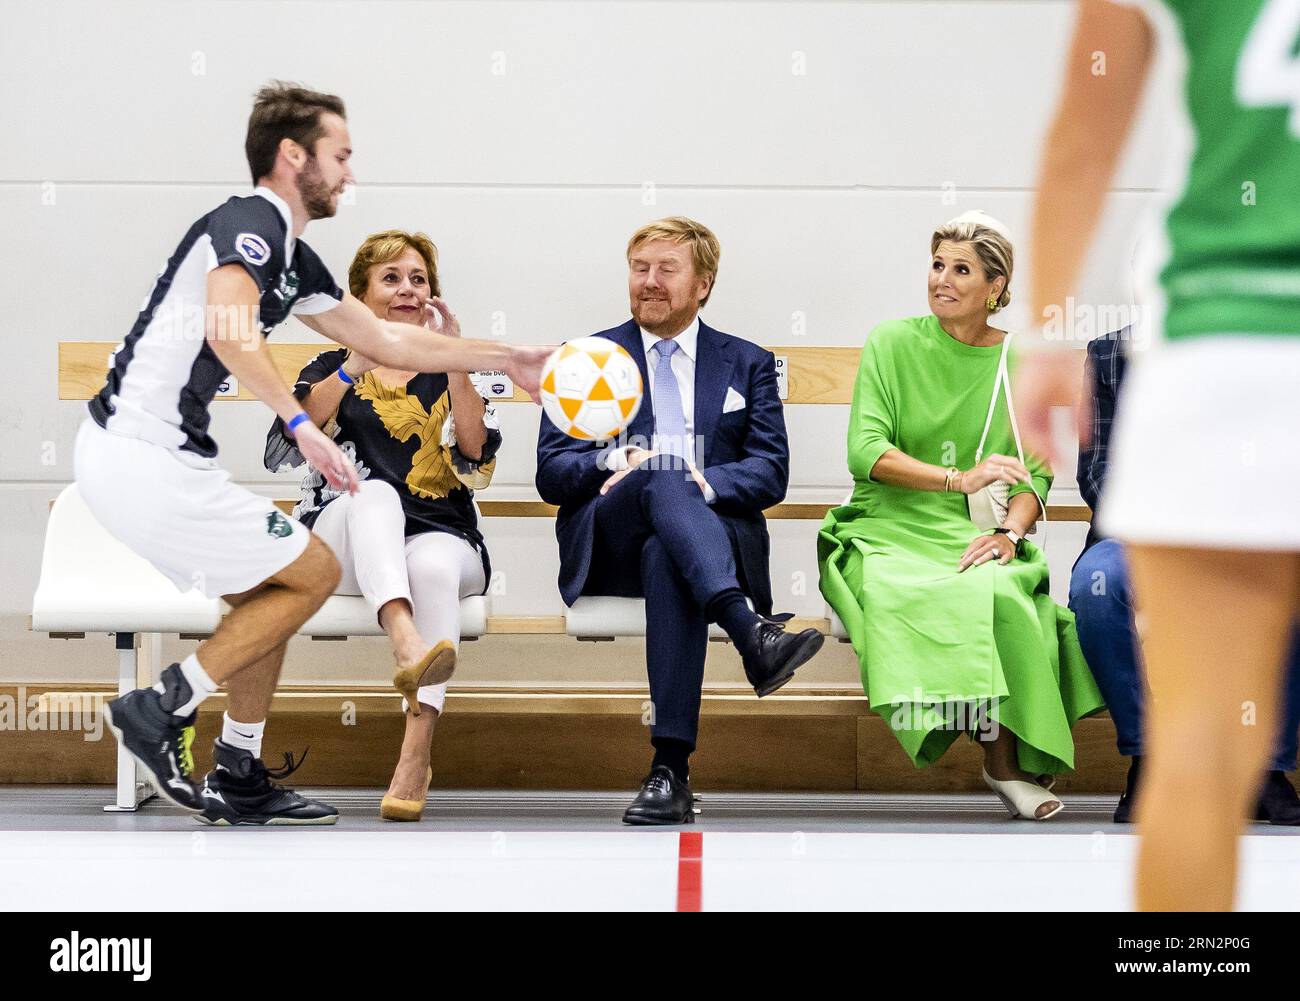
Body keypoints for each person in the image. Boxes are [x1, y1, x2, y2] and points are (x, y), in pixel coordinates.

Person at [79, 81, 550, 826]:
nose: (349, 174)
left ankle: (238, 767)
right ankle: (160, 704)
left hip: (155, 459)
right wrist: (300, 422)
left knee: (268, 598)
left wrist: (508, 355)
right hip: (141, 451)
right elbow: (232, 331)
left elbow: (389, 339)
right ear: (293, 155)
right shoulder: (250, 222)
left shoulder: (298, 260)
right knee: (315, 570)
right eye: (341, 155)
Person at [1014, 0, 1300, 909]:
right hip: (1223, 351)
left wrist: (1048, 331)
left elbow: (1081, 140)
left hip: (1225, 347)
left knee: (1202, 749)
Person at [536, 216, 825, 825]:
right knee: (660, 468)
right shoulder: (587, 358)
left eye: (667, 270)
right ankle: (751, 632)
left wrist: (704, 481)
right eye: (640, 269)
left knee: (668, 550)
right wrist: (617, 459)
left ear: (704, 285)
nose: (650, 282)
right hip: (611, 534)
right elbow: (552, 472)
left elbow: (769, 472)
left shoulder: (746, 363)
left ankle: (670, 770)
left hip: (704, 540)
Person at [818, 212, 1104, 821]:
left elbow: (1037, 474)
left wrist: (1009, 534)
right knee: (911, 592)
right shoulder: (892, 342)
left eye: (961, 270)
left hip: (973, 530)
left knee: (1003, 591)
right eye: (937, 265)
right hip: (886, 527)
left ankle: (1003, 766)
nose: (942, 279)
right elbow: (865, 452)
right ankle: (1001, 759)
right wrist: (957, 478)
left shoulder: (1020, 361)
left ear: (996, 289)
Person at [265, 230, 499, 821]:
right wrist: (354, 366)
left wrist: (456, 363)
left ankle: (415, 753)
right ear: (361, 298)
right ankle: (405, 637)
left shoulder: (452, 363)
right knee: (374, 494)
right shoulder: (330, 364)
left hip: (441, 531)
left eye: (418, 279)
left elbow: (474, 453)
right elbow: (289, 442)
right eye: (391, 278)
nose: (407, 289)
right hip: (344, 540)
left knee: (435, 567)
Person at [1070, 327, 1300, 824]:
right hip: (1135, 535)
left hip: (1235, 537)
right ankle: (1146, 756)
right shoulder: (1108, 355)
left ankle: (1266, 769)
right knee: (1097, 586)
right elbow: (1097, 471)